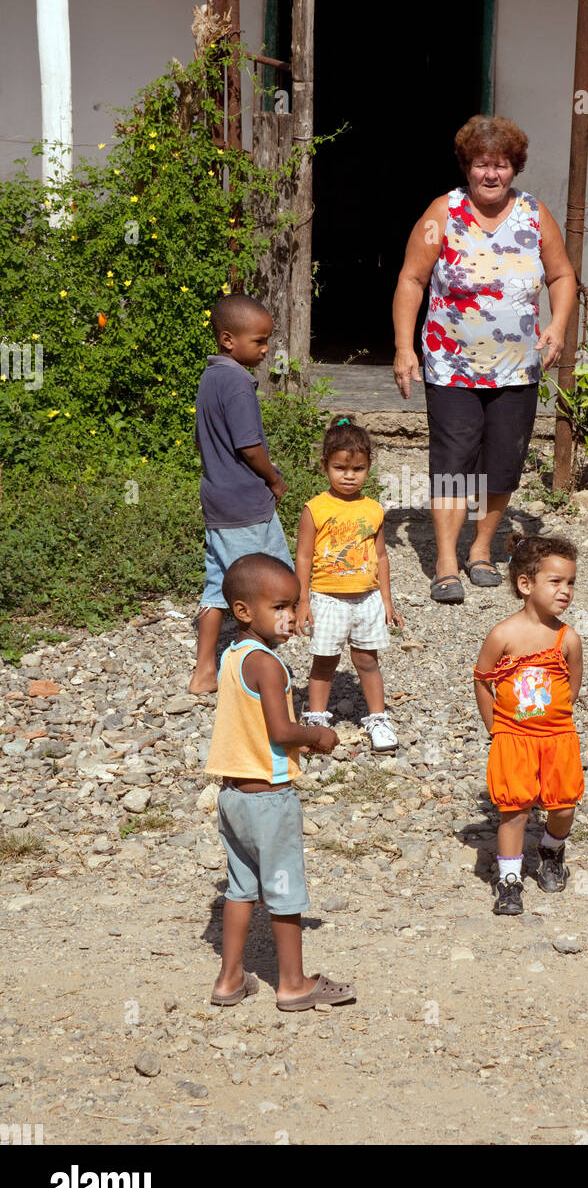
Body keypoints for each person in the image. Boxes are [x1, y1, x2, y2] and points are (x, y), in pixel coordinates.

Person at [392, 114, 577, 604]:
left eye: (500, 165)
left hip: (517, 367)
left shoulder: (535, 216)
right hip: (451, 365)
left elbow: (561, 277)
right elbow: (411, 279)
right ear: (467, 167)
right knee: (454, 462)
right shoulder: (442, 213)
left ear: (514, 168)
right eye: (481, 165)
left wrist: (557, 326)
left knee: (502, 462)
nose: (490, 174)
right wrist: (403, 347)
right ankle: (447, 561)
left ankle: (481, 550)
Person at [204, 551, 355, 1011]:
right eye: (280, 607)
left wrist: (292, 745)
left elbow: (254, 728)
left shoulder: (233, 656)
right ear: (244, 611)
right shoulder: (269, 665)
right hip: (270, 801)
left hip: (233, 796)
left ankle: (230, 980)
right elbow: (280, 730)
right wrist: (318, 735)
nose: (291, 618)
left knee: (240, 889)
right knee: (285, 892)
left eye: (293, 606)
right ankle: (293, 983)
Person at [473, 533, 584, 917]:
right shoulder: (502, 635)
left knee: (565, 804)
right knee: (514, 810)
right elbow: (483, 679)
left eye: (570, 582)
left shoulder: (567, 637)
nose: (565, 590)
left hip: (558, 737)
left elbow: (573, 678)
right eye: (555, 582)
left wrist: (560, 712)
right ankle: (509, 880)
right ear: (525, 585)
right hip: (513, 738)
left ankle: (552, 849)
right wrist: (495, 728)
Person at [189, 293, 294, 695]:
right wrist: (274, 479)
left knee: (218, 586)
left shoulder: (210, 377)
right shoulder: (237, 383)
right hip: (247, 507)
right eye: (259, 341)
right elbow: (250, 446)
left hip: (217, 502)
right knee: (264, 585)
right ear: (228, 339)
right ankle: (261, 673)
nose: (266, 349)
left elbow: (202, 443)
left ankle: (204, 672)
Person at [294, 415, 402, 752]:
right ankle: (316, 719)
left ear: (369, 467)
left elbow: (381, 556)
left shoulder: (373, 510)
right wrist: (302, 601)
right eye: (341, 467)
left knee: (367, 660)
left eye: (357, 469)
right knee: (324, 660)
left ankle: (378, 718)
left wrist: (386, 600)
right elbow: (303, 557)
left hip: (367, 599)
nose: (349, 476)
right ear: (325, 465)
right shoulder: (315, 508)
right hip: (327, 598)